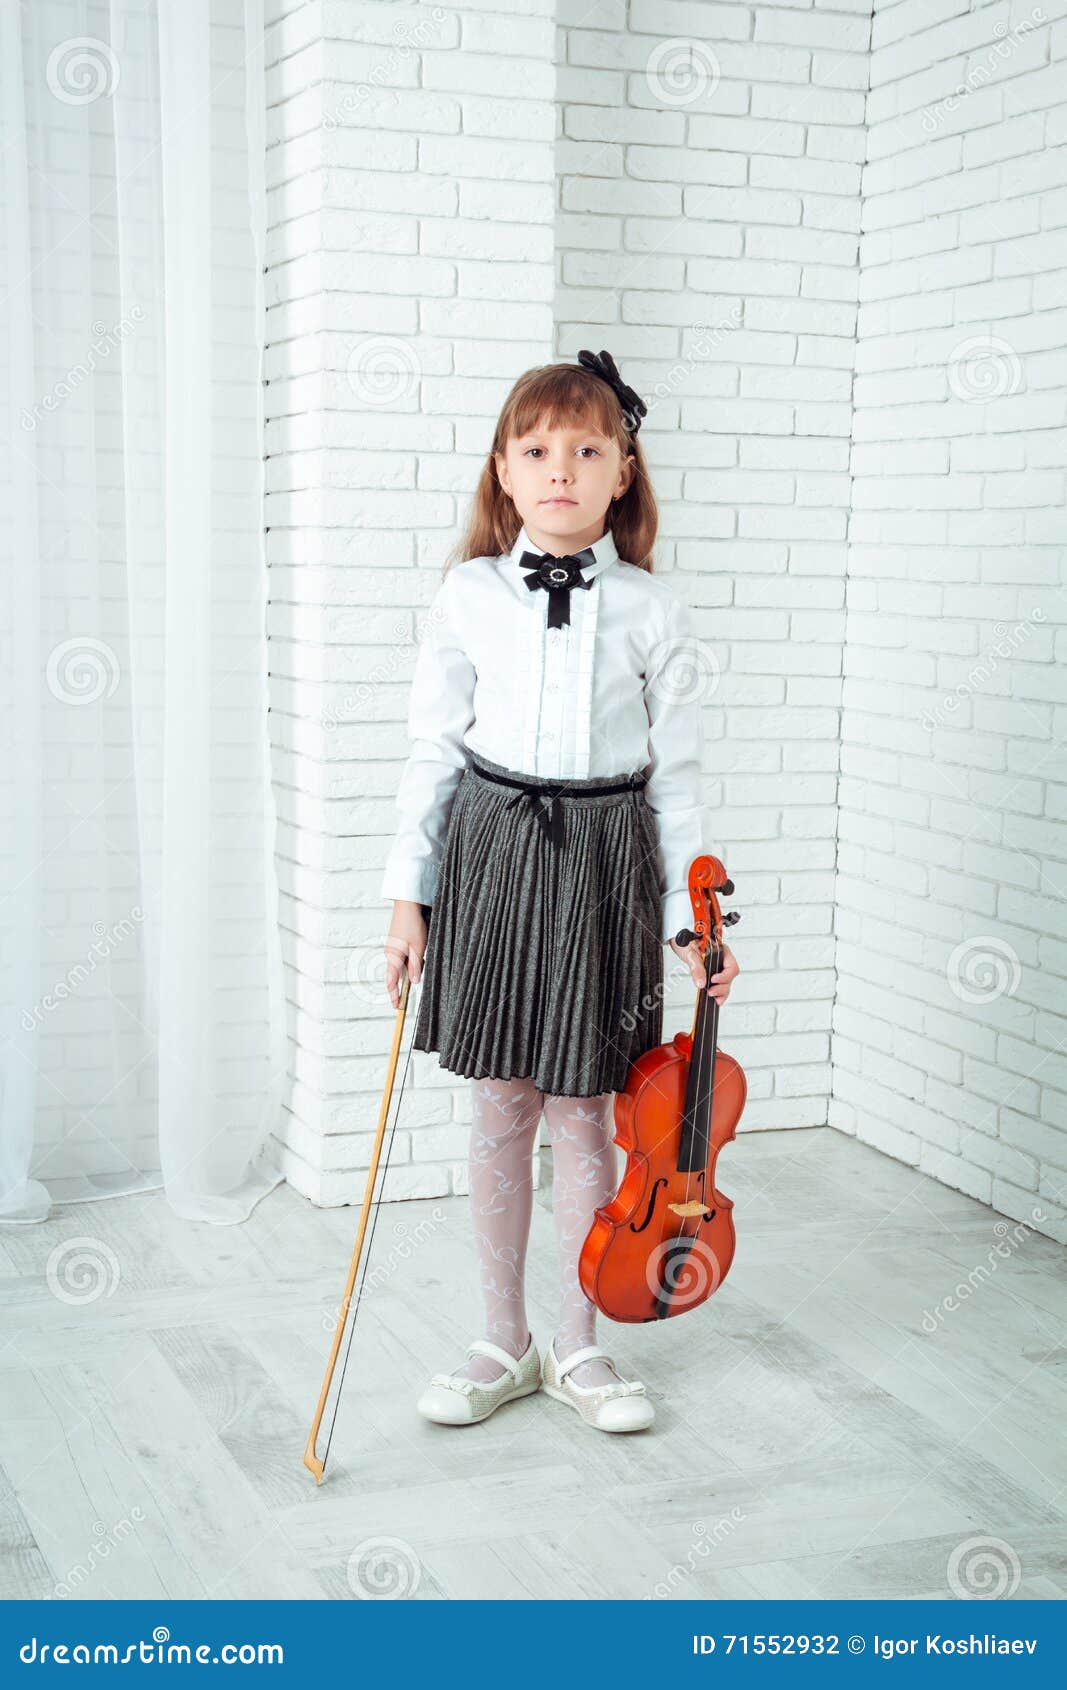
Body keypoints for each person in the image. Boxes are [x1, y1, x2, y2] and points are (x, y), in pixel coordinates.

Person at [380, 349, 739, 1433]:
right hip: (491, 849)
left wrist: (694, 912)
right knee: (500, 1103)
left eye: (588, 449)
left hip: (605, 860)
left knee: (587, 1109)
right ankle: (503, 1338)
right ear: (501, 467)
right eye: (536, 449)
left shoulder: (650, 610)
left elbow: (676, 781)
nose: (561, 469)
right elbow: (430, 752)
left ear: (622, 472)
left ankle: (579, 1343)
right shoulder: (466, 593)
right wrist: (408, 897)